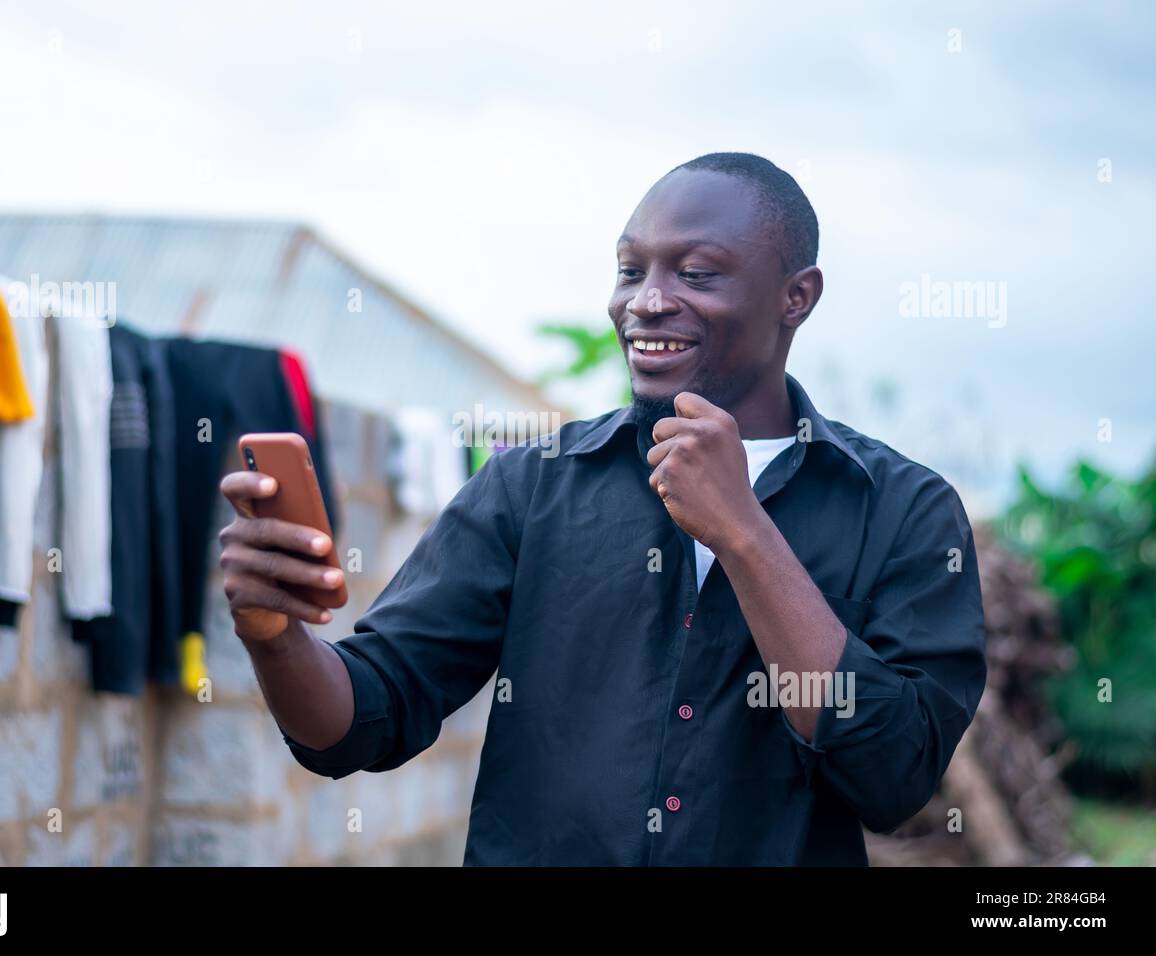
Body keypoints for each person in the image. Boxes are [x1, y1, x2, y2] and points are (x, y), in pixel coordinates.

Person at [217, 152, 987, 865]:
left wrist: (745, 534)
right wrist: (276, 637)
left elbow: (894, 777)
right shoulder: (532, 488)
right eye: (629, 269)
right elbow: (362, 719)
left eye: (696, 272)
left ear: (797, 296)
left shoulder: (905, 512)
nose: (646, 302)